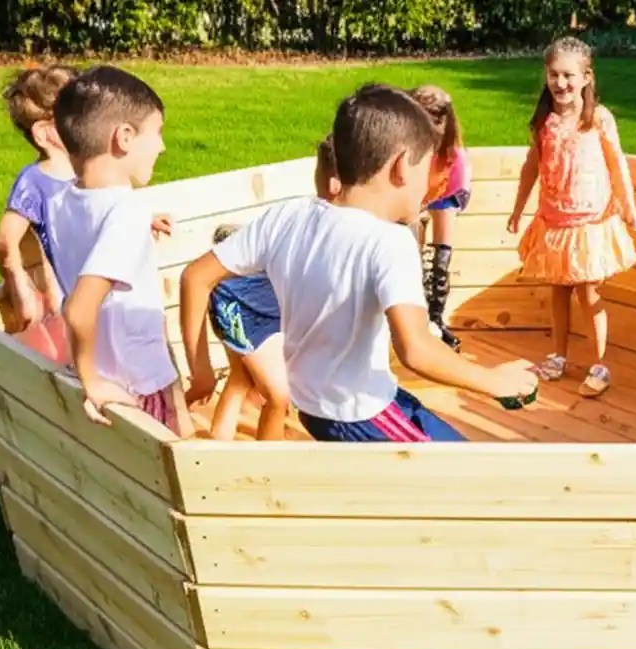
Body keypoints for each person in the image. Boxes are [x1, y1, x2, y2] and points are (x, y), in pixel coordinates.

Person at [179, 83, 538, 443]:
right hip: (358, 413)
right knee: (468, 477)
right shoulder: (390, 241)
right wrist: (494, 380)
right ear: (400, 167)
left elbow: (195, 277)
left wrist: (201, 373)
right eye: (426, 167)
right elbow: (415, 349)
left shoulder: (288, 216)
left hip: (321, 407)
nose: (430, 186)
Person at [46, 65, 190, 435]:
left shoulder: (61, 198)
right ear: (124, 137)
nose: (162, 145)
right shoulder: (125, 212)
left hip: (105, 366)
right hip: (138, 380)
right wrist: (91, 382)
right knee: (183, 458)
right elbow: (80, 308)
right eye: (157, 133)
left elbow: (89, 233)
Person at [506, 36, 636, 398]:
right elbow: (531, 167)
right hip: (555, 221)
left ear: (586, 77)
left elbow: (616, 162)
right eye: (553, 74)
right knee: (559, 290)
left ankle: (599, 363)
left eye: (568, 75)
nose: (560, 83)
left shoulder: (597, 119)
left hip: (589, 223)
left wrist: (628, 206)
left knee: (588, 290)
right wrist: (519, 208)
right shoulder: (544, 121)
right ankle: (558, 356)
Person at [195, 136, 340, 441]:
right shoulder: (306, 218)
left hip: (264, 300)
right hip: (239, 300)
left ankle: (216, 453)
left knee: (239, 379)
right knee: (277, 395)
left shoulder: (343, 221)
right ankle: (265, 470)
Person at [0, 64, 78, 359]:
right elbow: (4, 239)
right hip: (66, 292)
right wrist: (19, 286)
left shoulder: (89, 165)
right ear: (45, 132)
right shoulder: (36, 182)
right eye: (79, 114)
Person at [410, 84, 473, 351]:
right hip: (413, 193)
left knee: (441, 251)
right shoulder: (408, 147)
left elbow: (458, 186)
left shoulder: (454, 156)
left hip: (444, 190)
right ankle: (414, 316)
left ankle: (435, 317)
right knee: (410, 246)